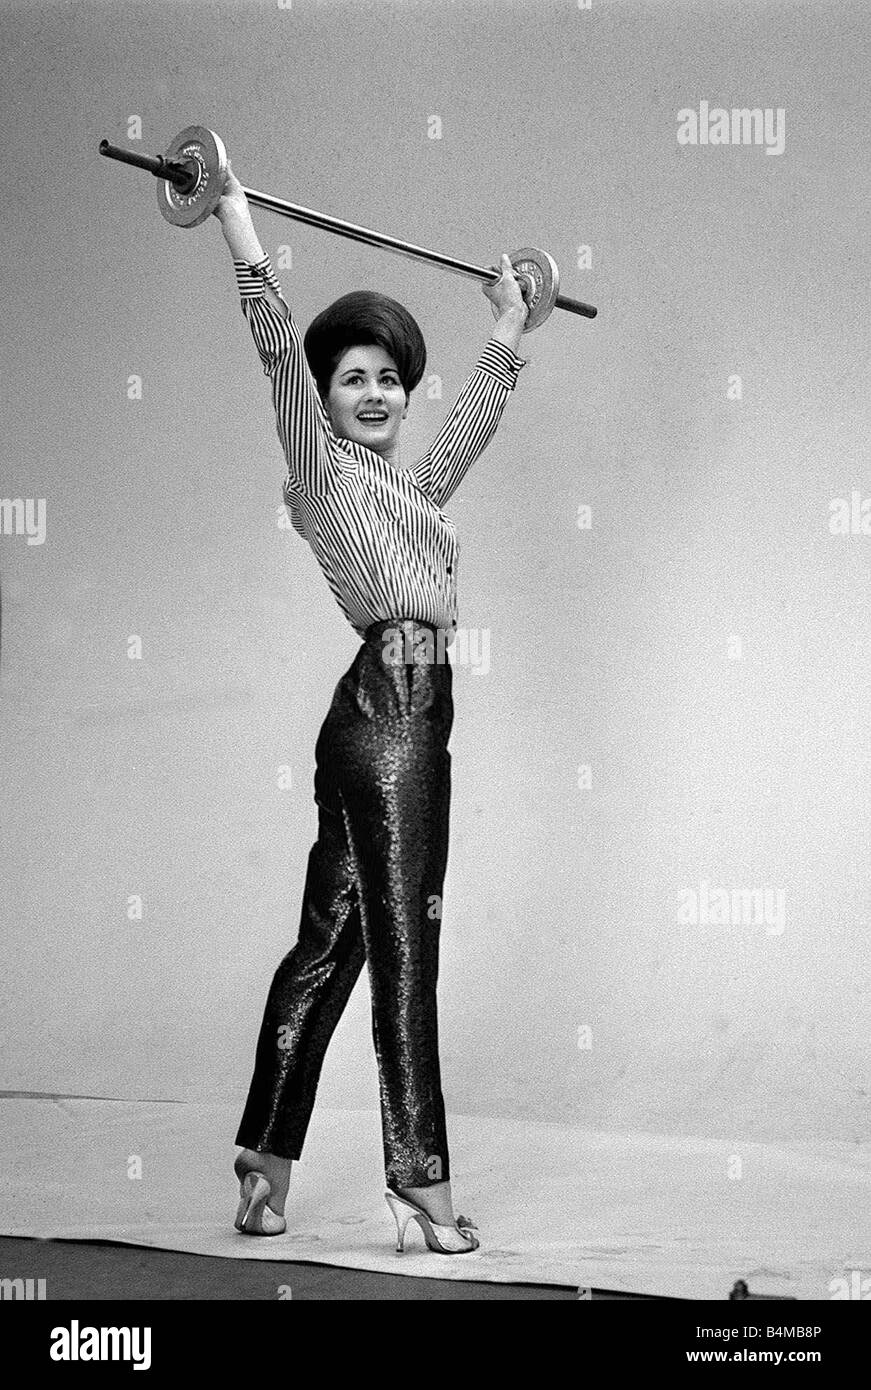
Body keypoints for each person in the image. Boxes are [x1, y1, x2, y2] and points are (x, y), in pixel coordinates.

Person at [214, 158, 528, 1254]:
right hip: (391, 713)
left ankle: (263, 1164)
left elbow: (463, 434)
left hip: (387, 713)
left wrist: (507, 328)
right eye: (352, 378)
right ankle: (419, 1184)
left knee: (330, 943)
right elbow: (276, 356)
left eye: (389, 376)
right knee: (405, 949)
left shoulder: (406, 489)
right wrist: (237, 224)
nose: (376, 393)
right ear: (327, 397)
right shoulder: (322, 473)